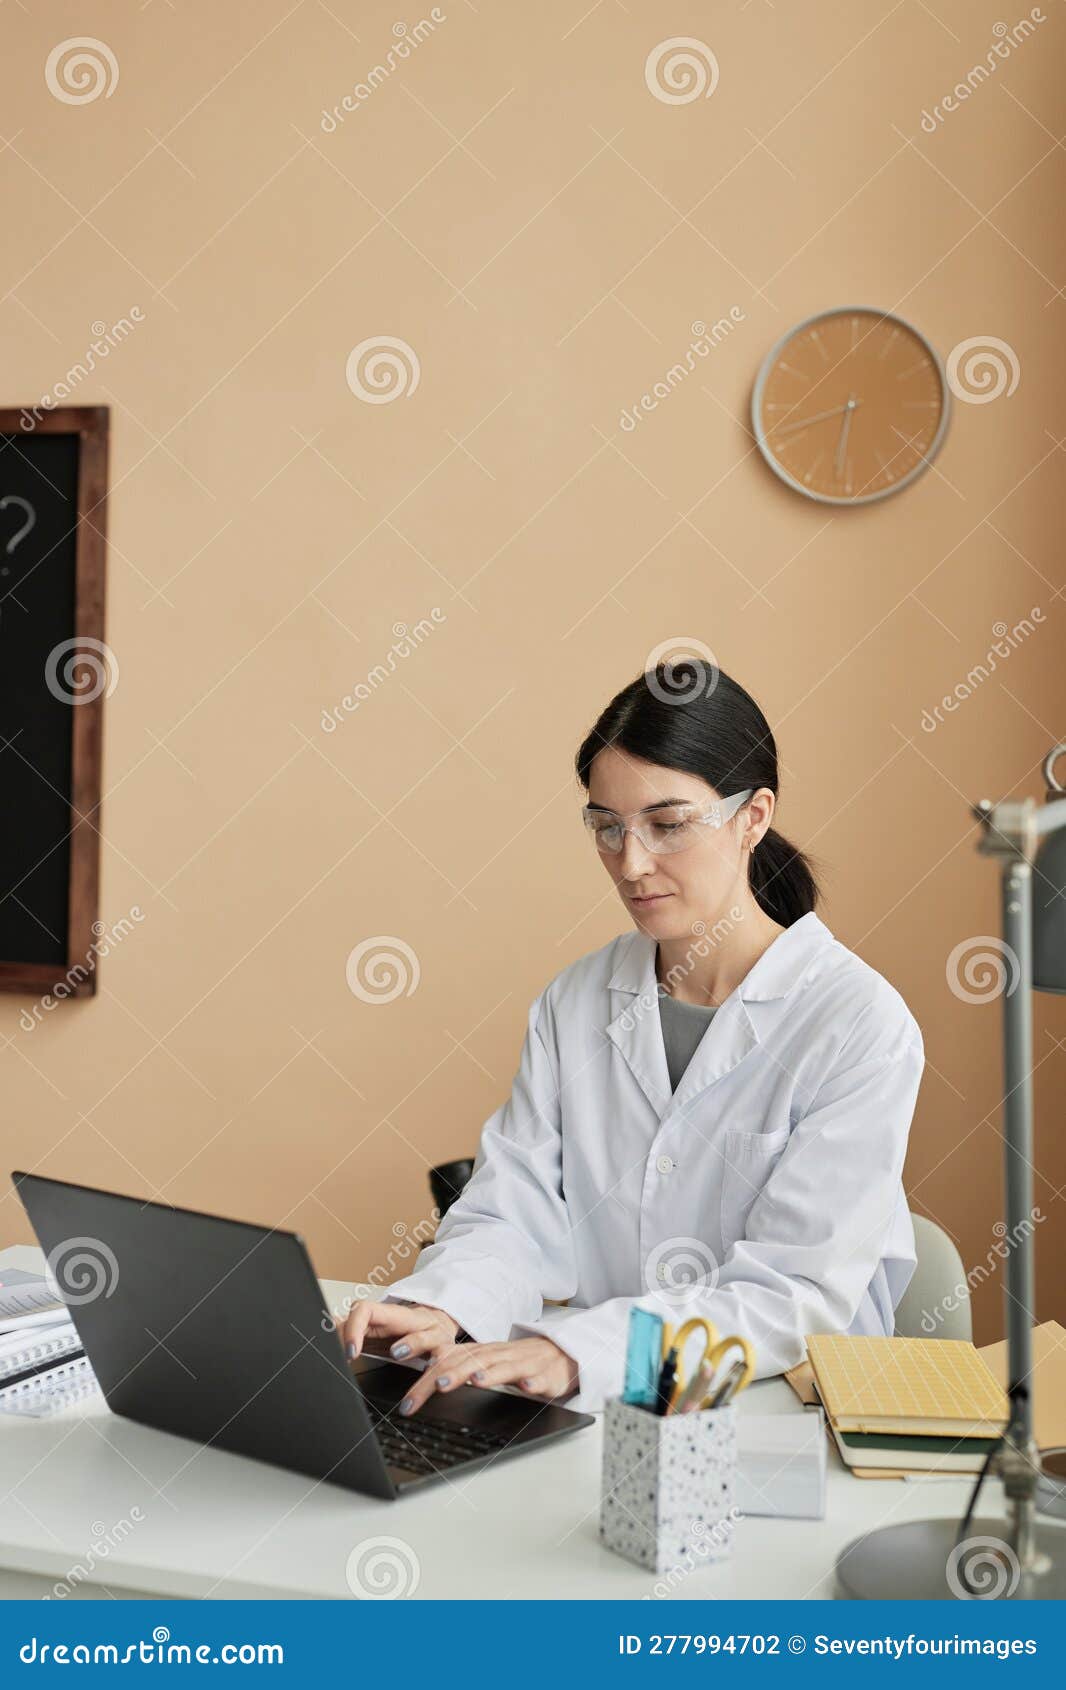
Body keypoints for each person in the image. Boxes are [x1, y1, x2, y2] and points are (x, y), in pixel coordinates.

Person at [341, 663, 924, 1414]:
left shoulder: (855, 1022)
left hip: (773, 1410)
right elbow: (510, 1212)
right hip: (592, 1407)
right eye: (607, 827)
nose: (632, 862)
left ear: (753, 817)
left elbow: (792, 1292)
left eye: (668, 824)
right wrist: (444, 1308)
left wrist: (580, 1351)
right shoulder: (576, 1001)